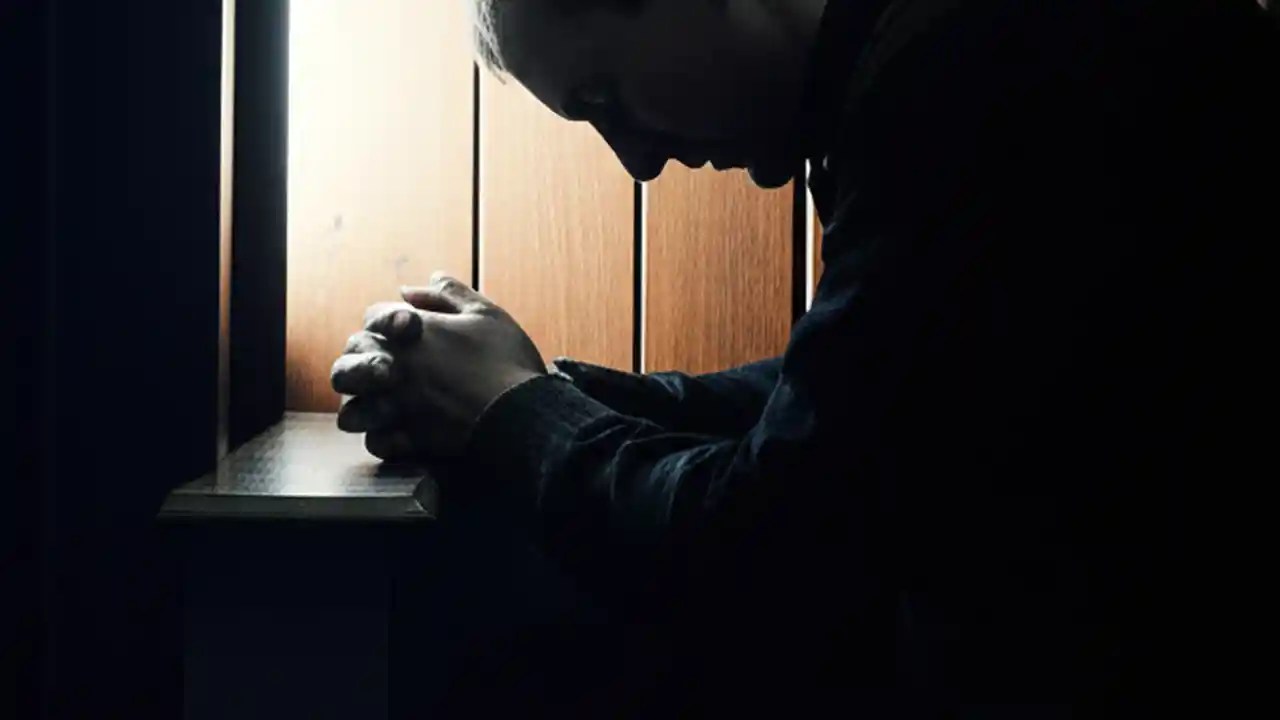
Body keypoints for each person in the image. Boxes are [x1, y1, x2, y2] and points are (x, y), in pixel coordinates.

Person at [330, 0, 1278, 714]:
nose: (636, 161)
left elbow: (766, 545)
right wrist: (544, 393)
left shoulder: (955, 75)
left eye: (605, 97)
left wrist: (512, 411)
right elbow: (869, 397)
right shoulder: (938, 47)